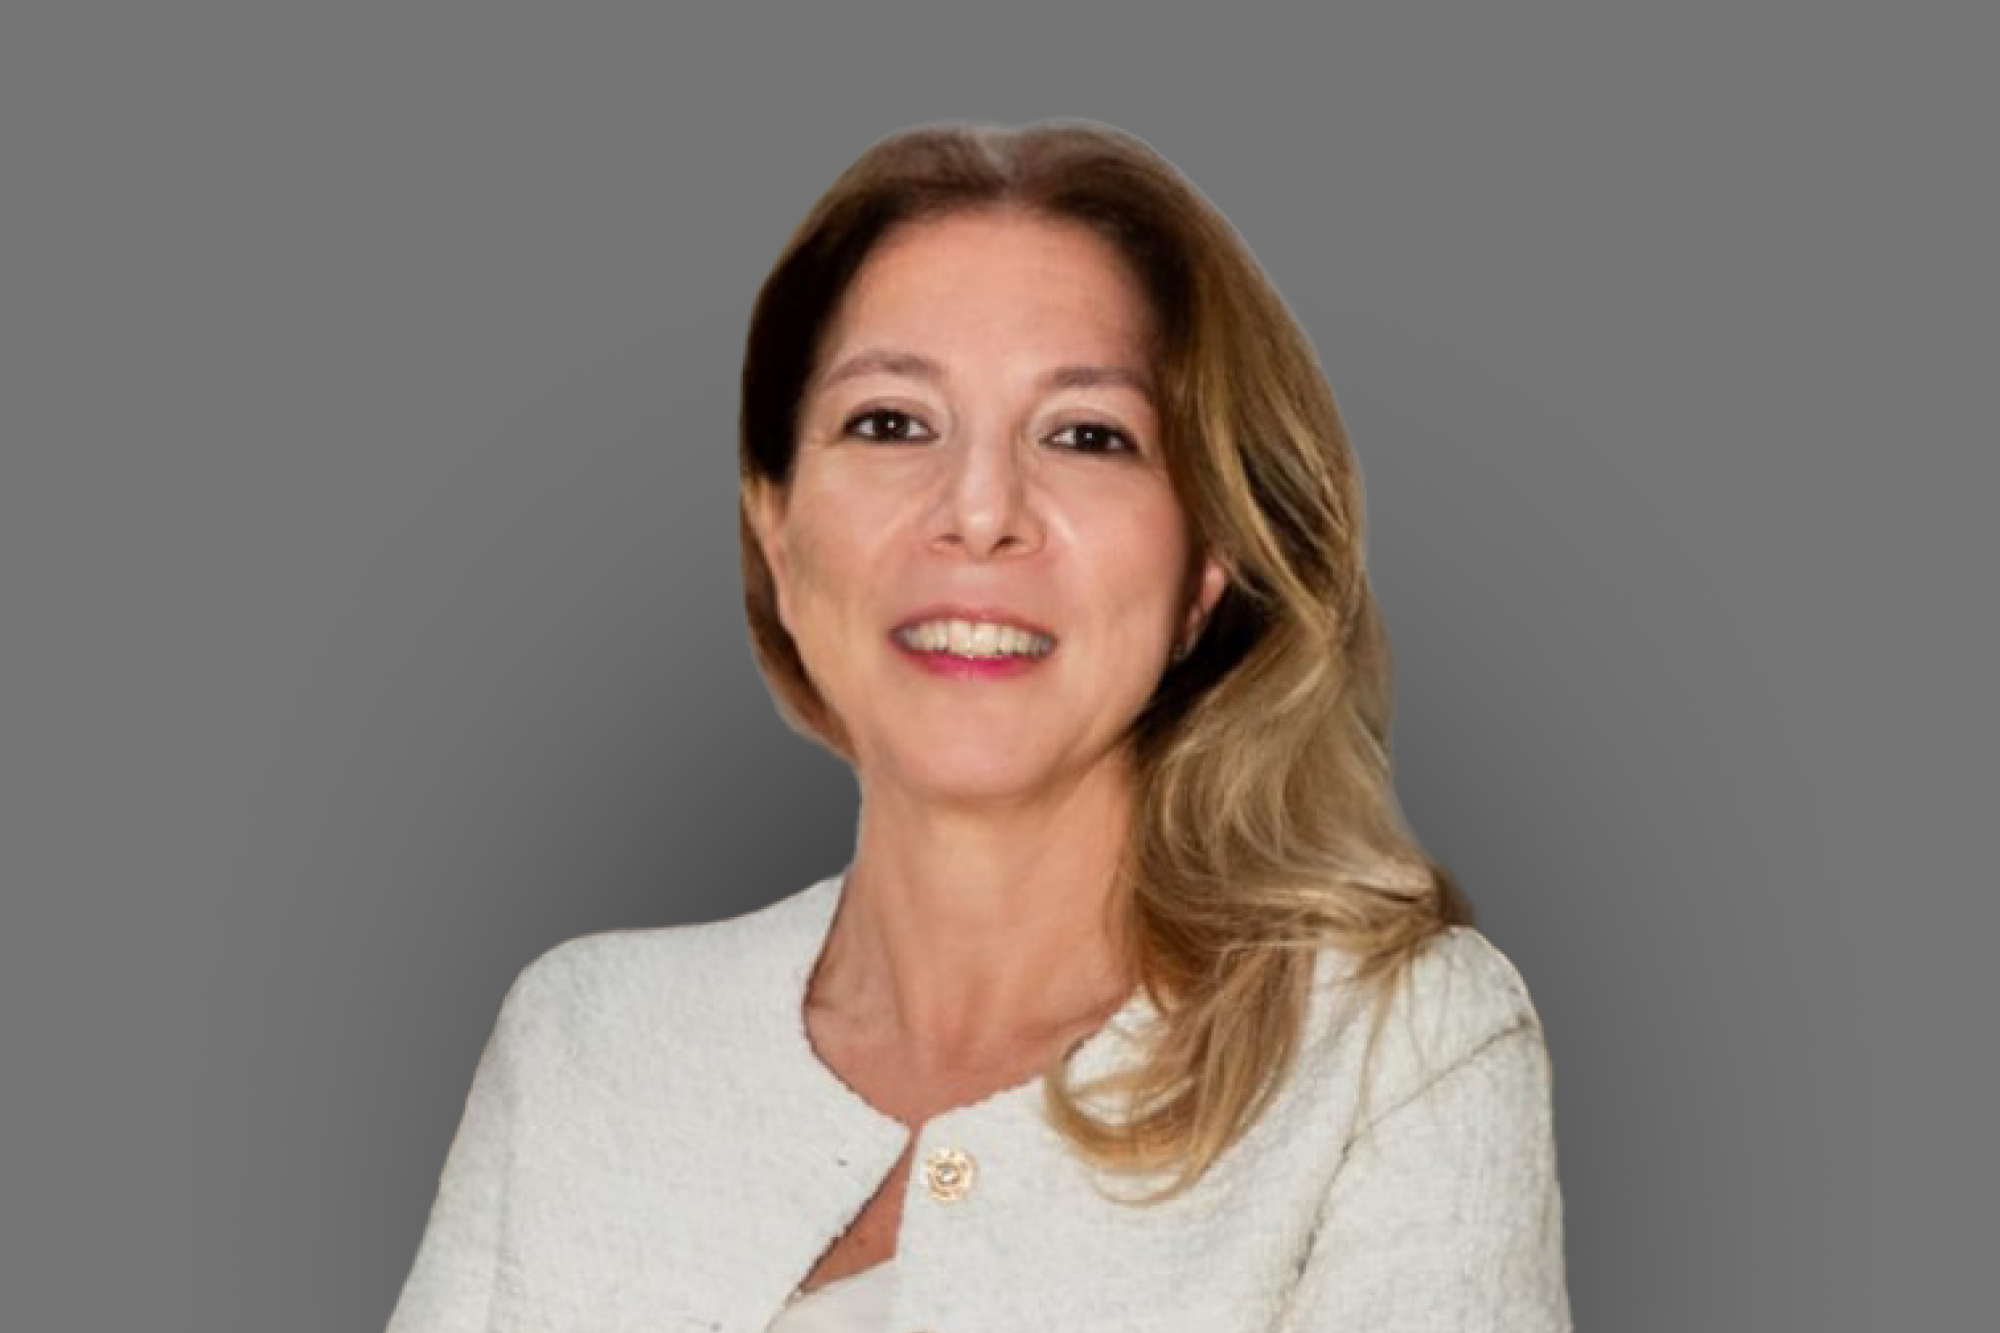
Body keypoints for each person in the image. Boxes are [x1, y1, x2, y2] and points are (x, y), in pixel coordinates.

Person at [385, 120, 1569, 1333]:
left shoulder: (1394, 1050)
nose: (979, 509)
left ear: (1204, 566)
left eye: (1086, 435)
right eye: (891, 422)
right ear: (776, 531)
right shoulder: (581, 1041)